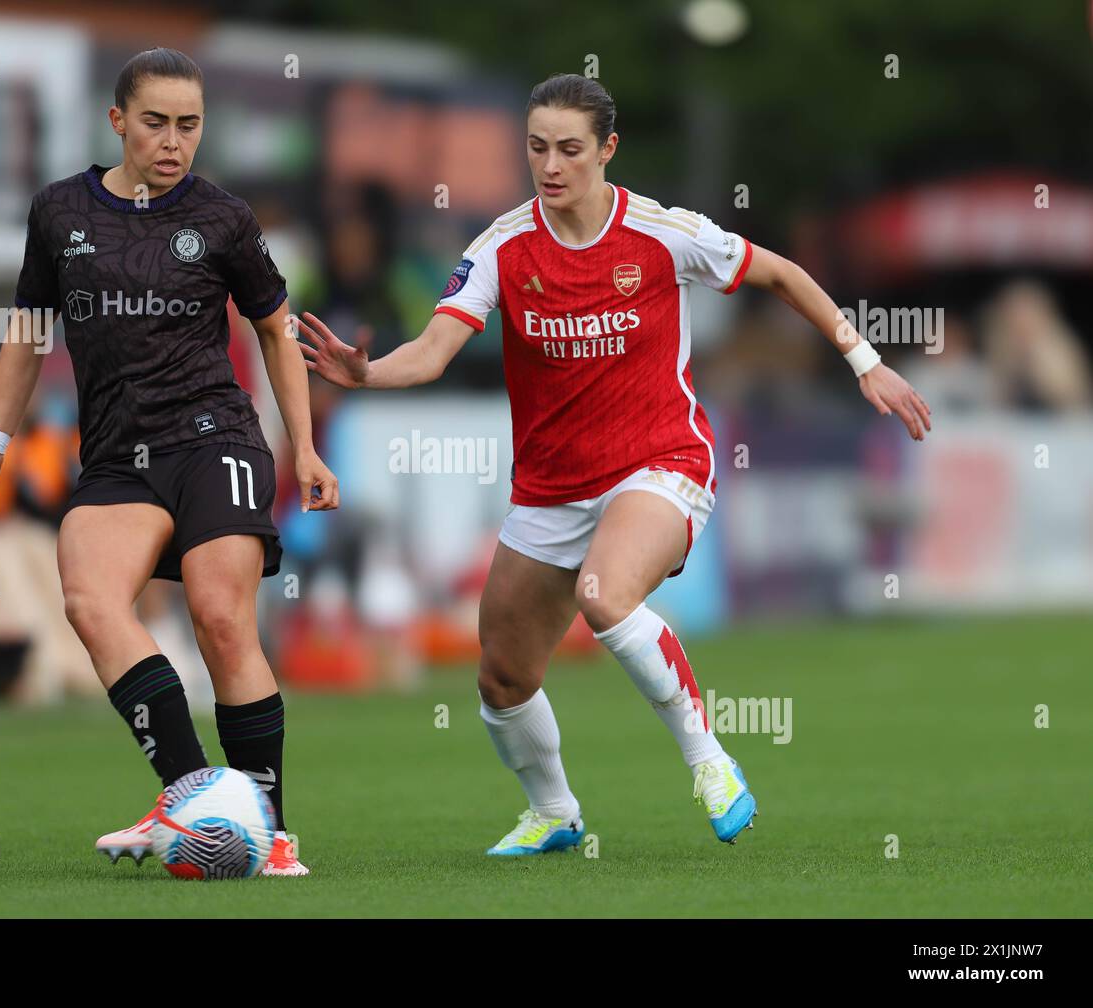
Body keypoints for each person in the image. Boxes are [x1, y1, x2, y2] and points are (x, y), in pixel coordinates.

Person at [297, 73, 930, 853]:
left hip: (661, 461)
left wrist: (864, 358)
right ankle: (555, 814)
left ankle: (709, 760)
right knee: (501, 677)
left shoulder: (664, 233)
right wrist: (366, 374)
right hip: (551, 489)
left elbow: (779, 273)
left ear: (608, 150)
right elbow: (430, 352)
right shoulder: (501, 247)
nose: (551, 165)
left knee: (606, 595)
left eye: (569, 148)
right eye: (536, 148)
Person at [0, 48, 337, 876]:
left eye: (189, 125)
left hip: (214, 437)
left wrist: (303, 447)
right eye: (155, 122)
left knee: (221, 617)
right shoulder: (57, 213)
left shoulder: (224, 218)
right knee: (89, 601)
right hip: (118, 454)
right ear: (116, 121)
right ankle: (198, 801)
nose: (173, 141)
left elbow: (274, 328)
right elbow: (26, 334)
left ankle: (272, 833)